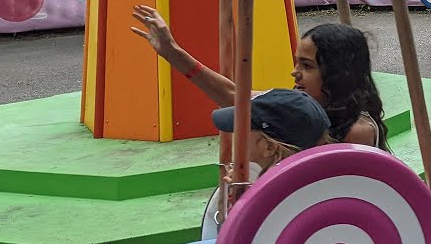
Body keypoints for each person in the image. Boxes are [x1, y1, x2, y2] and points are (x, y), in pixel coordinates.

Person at [128, 89, 331, 244]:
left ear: (268, 147)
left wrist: (242, 202)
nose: (233, 135)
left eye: (241, 131)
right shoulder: (293, 179)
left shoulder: (281, 194)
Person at [130, 11, 387, 148]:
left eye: (307, 66)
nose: (295, 72)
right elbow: (236, 96)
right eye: (296, 62)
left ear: (338, 73)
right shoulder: (300, 106)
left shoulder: (357, 131)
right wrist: (173, 54)